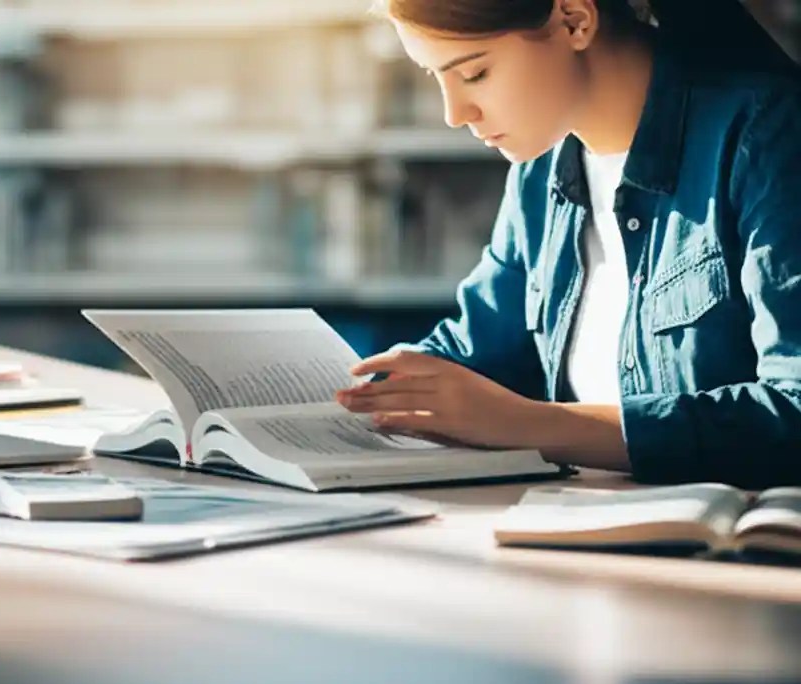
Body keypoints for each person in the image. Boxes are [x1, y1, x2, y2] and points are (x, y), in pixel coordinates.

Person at [336, 0, 801, 484]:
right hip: (582, 529)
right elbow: (476, 351)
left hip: (737, 543)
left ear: (574, 20)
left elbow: (794, 411)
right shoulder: (540, 170)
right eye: (435, 77)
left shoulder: (765, 134)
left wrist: (530, 424)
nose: (455, 113)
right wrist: (328, 403)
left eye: (474, 74)